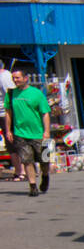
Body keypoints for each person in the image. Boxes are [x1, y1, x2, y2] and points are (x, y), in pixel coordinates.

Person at [4, 66, 51, 197]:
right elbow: (8, 113)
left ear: (26, 78)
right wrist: (8, 130)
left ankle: (45, 176)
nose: (15, 80)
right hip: (20, 133)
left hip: (39, 134)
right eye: (13, 78)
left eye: (17, 78)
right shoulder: (11, 94)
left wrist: (46, 131)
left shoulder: (37, 93)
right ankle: (33, 186)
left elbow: (45, 113)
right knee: (27, 160)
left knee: (44, 160)